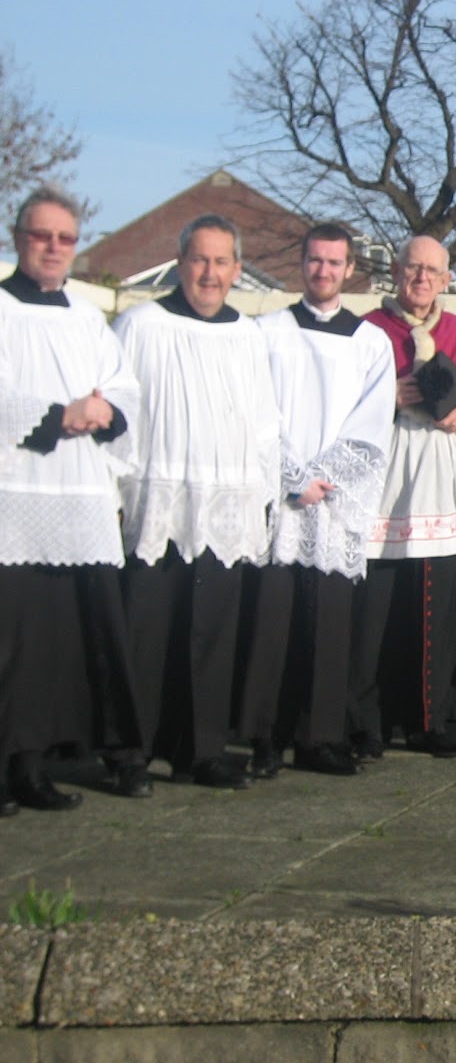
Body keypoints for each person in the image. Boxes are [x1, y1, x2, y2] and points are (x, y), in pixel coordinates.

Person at [110, 214, 281, 793]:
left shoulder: (247, 336)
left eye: (221, 262)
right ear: (181, 263)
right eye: (199, 260)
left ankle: (201, 752)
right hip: (160, 504)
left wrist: (260, 495)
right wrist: (118, 492)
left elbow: (262, 423)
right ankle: (130, 754)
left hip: (225, 507)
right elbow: (119, 418)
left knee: (212, 634)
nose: (210, 273)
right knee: (147, 631)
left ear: (237, 269)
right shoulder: (140, 326)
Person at [0, 185, 142, 813]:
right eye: (41, 235)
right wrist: (62, 413)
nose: (53, 247)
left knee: (55, 644)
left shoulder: (89, 320)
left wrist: (104, 409)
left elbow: (126, 391)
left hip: (79, 501)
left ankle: (33, 768)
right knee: (10, 642)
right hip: (15, 498)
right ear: (17, 238)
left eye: (65, 238)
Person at [237, 223, 395, 777]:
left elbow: (375, 423)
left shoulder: (371, 342)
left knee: (329, 625)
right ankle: (263, 737)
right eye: (314, 261)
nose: (323, 271)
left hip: (333, 502)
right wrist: (291, 475)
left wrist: (325, 477)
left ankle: (319, 738)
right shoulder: (266, 332)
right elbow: (255, 413)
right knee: (272, 621)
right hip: (281, 503)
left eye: (334, 263)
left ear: (351, 269)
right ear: (300, 263)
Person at [350, 236, 456, 760]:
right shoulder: (366, 332)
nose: (421, 278)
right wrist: (386, 397)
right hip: (383, 481)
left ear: (445, 279)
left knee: (445, 607)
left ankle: (437, 719)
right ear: (395, 271)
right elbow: (332, 409)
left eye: (431, 271)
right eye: (412, 267)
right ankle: (368, 721)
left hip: (445, 482)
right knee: (378, 608)